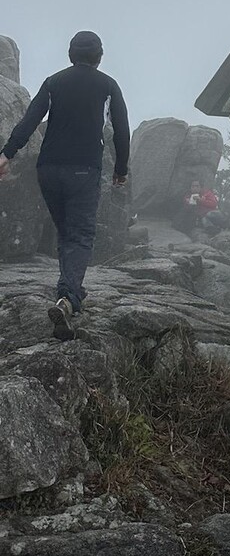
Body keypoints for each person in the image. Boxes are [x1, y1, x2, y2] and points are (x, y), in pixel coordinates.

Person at [0, 31, 130, 339]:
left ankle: (69, 288)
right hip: (83, 170)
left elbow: (30, 120)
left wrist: (6, 154)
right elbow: (121, 129)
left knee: (67, 231)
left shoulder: (53, 82)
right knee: (80, 234)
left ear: (71, 55)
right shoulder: (108, 85)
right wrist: (121, 169)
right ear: (99, 56)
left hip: (48, 170)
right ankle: (69, 298)